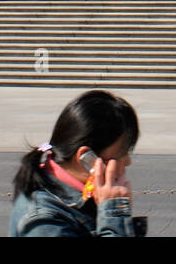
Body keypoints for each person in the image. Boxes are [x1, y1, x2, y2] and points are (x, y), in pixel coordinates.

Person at [10, 90, 141, 236]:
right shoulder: (44, 222)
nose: (127, 161)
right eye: (121, 153)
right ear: (86, 158)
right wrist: (114, 211)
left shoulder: (85, 195)